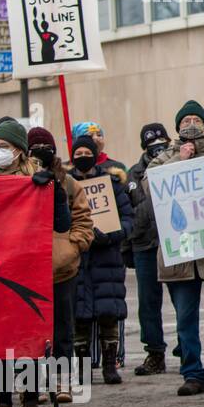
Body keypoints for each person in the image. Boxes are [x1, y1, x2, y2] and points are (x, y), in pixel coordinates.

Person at [0, 121, 73, 407]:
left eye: (4, 146)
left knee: (29, 342)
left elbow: (62, 225)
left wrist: (55, 191)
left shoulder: (40, 179)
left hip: (29, 275)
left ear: (19, 150)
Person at [150, 100, 204, 397]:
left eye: (196, 119)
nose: (191, 124)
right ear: (177, 127)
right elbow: (149, 188)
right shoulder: (163, 158)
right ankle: (192, 372)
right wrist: (178, 162)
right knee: (185, 318)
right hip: (180, 257)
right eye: (186, 121)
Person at [24, 125, 93, 402]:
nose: (41, 152)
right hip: (28, 270)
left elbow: (83, 220)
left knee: (63, 328)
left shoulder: (68, 183)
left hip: (62, 269)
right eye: (35, 148)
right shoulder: (20, 182)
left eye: (46, 147)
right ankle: (37, 384)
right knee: (33, 331)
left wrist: (71, 246)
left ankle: (62, 382)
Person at [68, 135, 134, 386]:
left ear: (95, 155)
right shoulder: (66, 184)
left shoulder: (113, 183)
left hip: (107, 258)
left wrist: (111, 235)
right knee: (79, 317)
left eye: (87, 152)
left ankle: (109, 365)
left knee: (109, 315)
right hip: (78, 259)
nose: (82, 156)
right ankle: (83, 368)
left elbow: (128, 218)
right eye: (78, 152)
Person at [125, 123, 172, 375]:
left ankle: (187, 349)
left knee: (183, 300)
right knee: (148, 303)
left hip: (173, 242)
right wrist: (126, 248)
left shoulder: (176, 165)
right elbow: (126, 211)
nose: (157, 146)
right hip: (144, 245)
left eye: (161, 141)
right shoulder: (132, 174)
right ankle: (154, 352)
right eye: (152, 143)